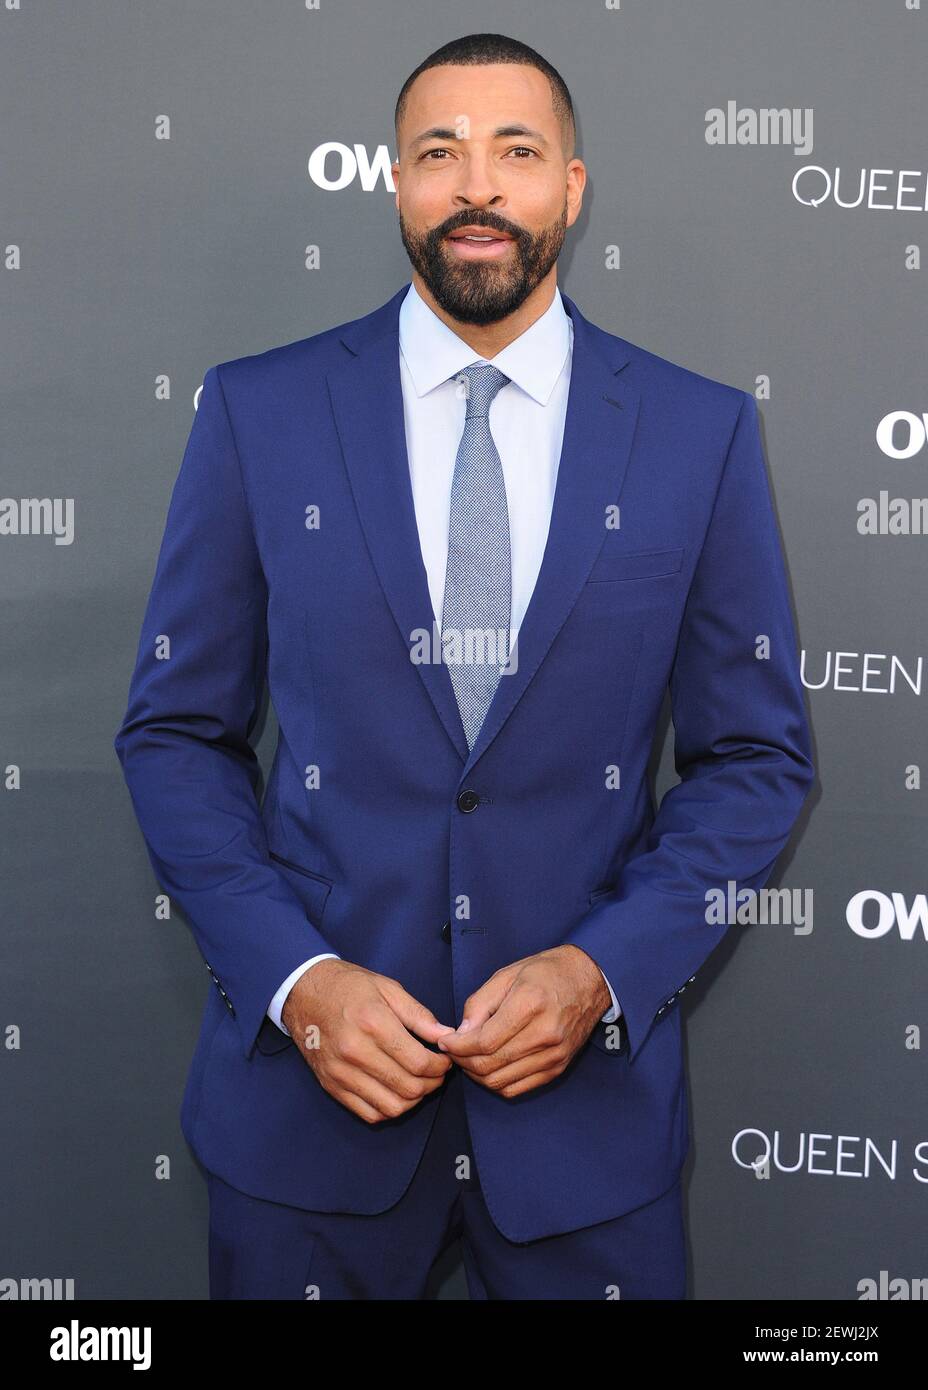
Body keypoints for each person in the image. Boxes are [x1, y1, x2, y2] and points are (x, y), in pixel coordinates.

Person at [114, 32, 814, 1300]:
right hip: (304, 1132)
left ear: (573, 189)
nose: (475, 186)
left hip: (588, 1136)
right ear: (394, 183)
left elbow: (756, 759)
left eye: (515, 152)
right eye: (439, 152)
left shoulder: (696, 430)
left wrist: (601, 970)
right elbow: (176, 734)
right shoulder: (258, 411)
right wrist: (300, 981)